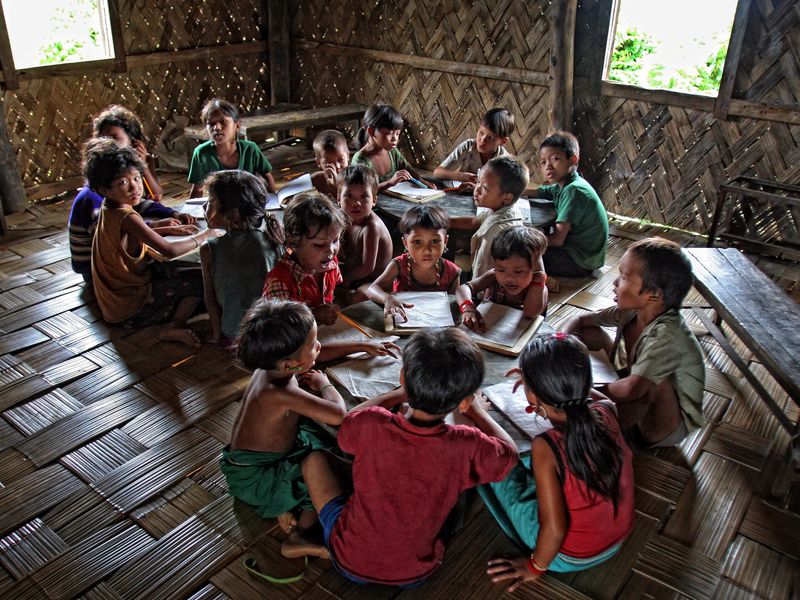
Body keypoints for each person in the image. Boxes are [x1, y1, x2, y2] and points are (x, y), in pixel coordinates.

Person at [300, 328, 518, 586]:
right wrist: (477, 411)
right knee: (461, 491)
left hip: (347, 560)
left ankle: (308, 536)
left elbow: (347, 424)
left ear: (403, 377)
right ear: (463, 400)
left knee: (314, 460)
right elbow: (509, 455)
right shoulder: (465, 443)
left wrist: (399, 393)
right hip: (415, 573)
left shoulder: (374, 424)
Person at [221, 299, 400, 558]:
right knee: (319, 477)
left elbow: (316, 353)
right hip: (257, 475)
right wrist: (324, 384)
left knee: (318, 442)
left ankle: (284, 507)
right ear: (289, 364)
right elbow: (339, 415)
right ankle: (299, 535)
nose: (319, 347)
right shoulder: (278, 392)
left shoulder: (271, 368)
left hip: (259, 457)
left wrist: (363, 345)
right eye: (313, 345)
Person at [483, 334, 635, 593]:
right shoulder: (608, 409)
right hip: (618, 537)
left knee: (494, 461)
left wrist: (534, 567)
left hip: (568, 556)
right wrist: (542, 386)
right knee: (553, 472)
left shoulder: (547, 447)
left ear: (534, 398)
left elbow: (555, 529)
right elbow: (585, 396)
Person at [564, 237, 705, 446]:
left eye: (623, 277)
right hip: (631, 382)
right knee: (589, 333)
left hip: (663, 424)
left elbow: (632, 390)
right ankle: (600, 412)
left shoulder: (667, 335)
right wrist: (560, 341)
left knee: (649, 385)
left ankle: (608, 435)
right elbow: (581, 319)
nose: (614, 283)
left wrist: (578, 392)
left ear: (653, 294)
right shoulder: (630, 311)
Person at [87, 138, 222, 346]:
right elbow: (168, 250)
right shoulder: (127, 216)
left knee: (174, 272)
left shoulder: (110, 208)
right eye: (123, 182)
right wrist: (205, 235)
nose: (134, 187)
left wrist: (166, 227)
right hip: (131, 311)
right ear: (104, 189)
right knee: (199, 282)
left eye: (136, 178)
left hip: (114, 304)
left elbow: (129, 235)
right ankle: (174, 325)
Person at [69, 105, 193, 282]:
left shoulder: (122, 178)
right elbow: (113, 238)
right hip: (95, 269)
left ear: (132, 142)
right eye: (103, 138)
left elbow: (148, 199)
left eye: (115, 138)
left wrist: (173, 213)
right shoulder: (93, 193)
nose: (108, 143)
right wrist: (160, 228)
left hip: (110, 256)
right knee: (166, 264)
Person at [199, 170, 284, 347]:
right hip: (274, 333)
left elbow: (210, 297)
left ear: (232, 214)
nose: (204, 206)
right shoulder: (274, 239)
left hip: (234, 335)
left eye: (211, 201)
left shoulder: (209, 249)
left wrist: (217, 334)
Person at [262, 191, 348, 326]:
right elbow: (275, 326)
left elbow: (336, 291)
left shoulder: (330, 263)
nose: (331, 250)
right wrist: (314, 315)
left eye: (335, 240)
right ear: (294, 243)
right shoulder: (279, 281)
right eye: (319, 245)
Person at [531, 131, 608, 278]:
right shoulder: (566, 184)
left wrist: (527, 242)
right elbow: (541, 192)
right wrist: (511, 189)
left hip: (579, 261)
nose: (548, 166)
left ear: (572, 160)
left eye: (555, 159)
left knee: (519, 256)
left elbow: (558, 240)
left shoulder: (574, 190)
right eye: (543, 162)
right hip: (586, 256)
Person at [366, 204, 461, 322]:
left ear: (445, 241)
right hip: (404, 322)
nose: (426, 250)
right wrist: (387, 299)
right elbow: (372, 289)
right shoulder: (399, 265)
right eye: (417, 242)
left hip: (437, 324)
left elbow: (453, 306)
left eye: (435, 241)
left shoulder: (451, 272)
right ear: (405, 243)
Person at [456, 226, 548, 330]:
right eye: (501, 269)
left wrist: (539, 276)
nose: (508, 278)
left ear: (534, 267)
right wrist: (467, 307)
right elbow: (463, 288)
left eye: (518, 271)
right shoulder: (493, 276)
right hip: (489, 333)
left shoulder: (538, 287)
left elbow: (530, 313)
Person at [450, 155, 527, 278]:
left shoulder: (494, 232)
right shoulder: (503, 209)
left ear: (506, 197)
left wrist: (472, 290)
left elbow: (483, 270)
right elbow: (474, 222)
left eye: (485, 188)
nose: (477, 190)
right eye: (478, 182)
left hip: (486, 286)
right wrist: (444, 220)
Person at [187, 98, 277, 198]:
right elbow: (197, 188)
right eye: (211, 124)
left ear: (237, 126)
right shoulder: (201, 153)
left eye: (223, 122)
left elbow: (267, 176)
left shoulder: (250, 149)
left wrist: (274, 201)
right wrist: (191, 211)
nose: (217, 128)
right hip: (220, 204)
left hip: (248, 201)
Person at [336, 165, 392, 303]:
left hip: (374, 281)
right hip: (355, 274)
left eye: (364, 196)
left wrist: (346, 278)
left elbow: (368, 267)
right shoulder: (343, 218)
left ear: (374, 200)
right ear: (338, 198)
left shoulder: (371, 227)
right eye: (349, 196)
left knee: (359, 296)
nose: (356, 203)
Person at [351, 104, 435, 193]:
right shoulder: (360, 160)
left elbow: (407, 168)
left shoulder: (392, 152)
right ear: (371, 132)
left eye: (397, 133)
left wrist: (421, 181)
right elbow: (362, 191)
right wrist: (390, 183)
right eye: (388, 133)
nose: (394, 138)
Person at [433, 108, 514, 191]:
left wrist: (479, 188)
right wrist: (460, 176)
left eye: (490, 138)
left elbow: (508, 189)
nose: (483, 140)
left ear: (503, 141)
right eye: (481, 133)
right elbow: (437, 172)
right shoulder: (468, 147)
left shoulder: (504, 160)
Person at [310, 129, 350, 199]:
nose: (337, 166)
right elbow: (290, 188)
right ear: (318, 163)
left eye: (341, 160)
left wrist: (335, 189)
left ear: (348, 156)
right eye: (329, 163)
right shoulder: (318, 179)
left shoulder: (356, 178)